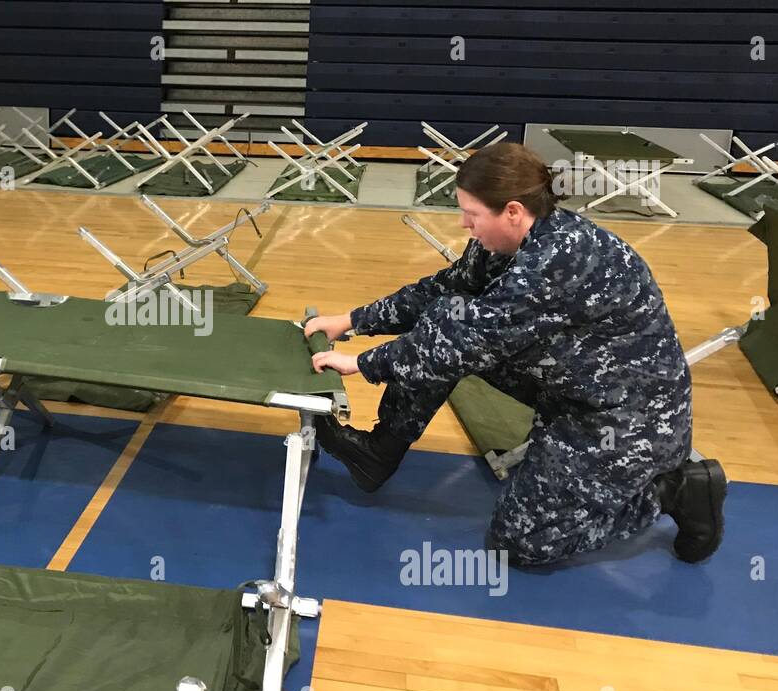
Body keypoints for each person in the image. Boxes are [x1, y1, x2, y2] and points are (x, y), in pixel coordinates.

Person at [305, 142, 725, 566]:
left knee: (520, 543)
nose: (463, 224)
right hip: (569, 385)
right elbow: (448, 293)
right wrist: (353, 320)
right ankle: (379, 452)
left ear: (511, 211)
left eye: (472, 215)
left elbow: (466, 339)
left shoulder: (558, 260)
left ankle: (672, 490)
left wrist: (362, 363)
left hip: (624, 416)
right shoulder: (506, 241)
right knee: (445, 319)